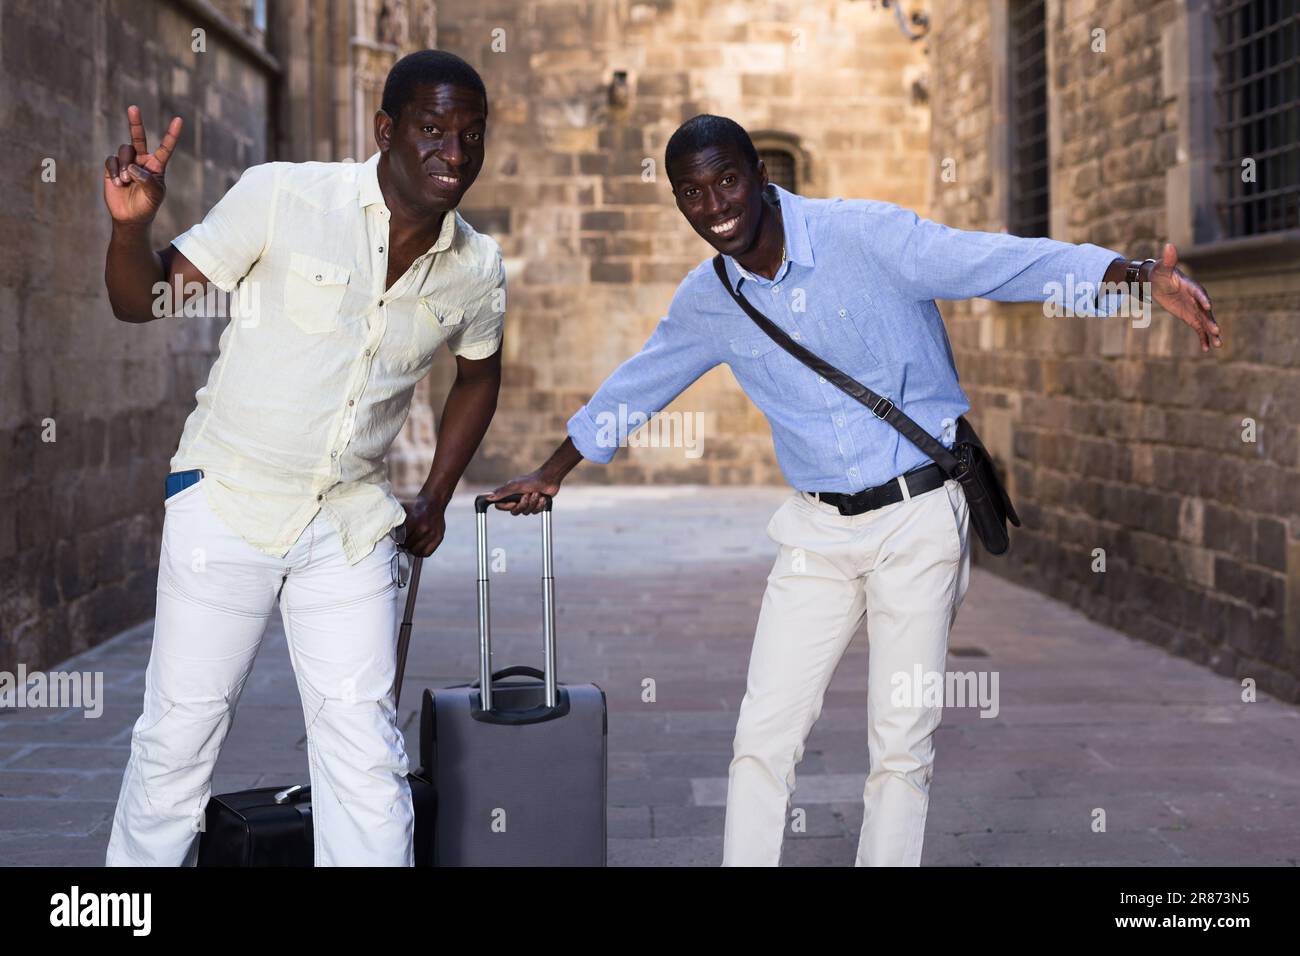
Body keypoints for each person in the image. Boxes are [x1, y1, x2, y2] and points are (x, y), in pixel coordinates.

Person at [488, 114, 1220, 866]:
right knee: (761, 736)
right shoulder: (709, 299)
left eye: (727, 181)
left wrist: (1137, 276)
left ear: (762, 175)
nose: (714, 206)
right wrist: (552, 472)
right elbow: (640, 382)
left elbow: (999, 263)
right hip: (816, 533)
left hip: (918, 519)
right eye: (692, 193)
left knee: (901, 742)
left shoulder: (866, 238)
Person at [102, 50, 504, 866]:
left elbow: (480, 375)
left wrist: (433, 494)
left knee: (364, 749)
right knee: (180, 733)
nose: (454, 154)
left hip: (349, 527)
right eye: (432, 130)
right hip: (229, 503)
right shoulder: (283, 195)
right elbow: (142, 301)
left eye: (470, 135)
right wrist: (131, 227)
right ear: (387, 130)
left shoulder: (476, 267)